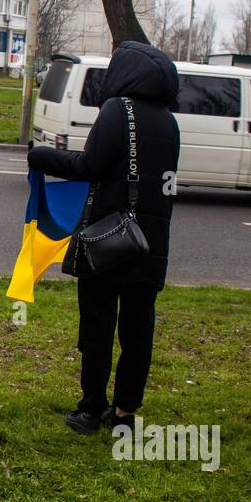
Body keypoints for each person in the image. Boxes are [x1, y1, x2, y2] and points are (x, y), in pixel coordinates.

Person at [27, 42, 180, 435]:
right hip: (150, 244)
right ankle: (125, 412)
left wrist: (41, 156)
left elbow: (89, 165)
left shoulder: (118, 109)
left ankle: (91, 409)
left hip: (109, 242)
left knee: (97, 328)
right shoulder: (169, 121)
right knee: (137, 331)